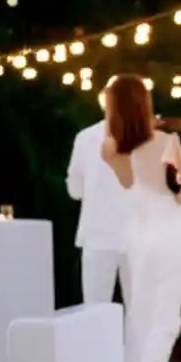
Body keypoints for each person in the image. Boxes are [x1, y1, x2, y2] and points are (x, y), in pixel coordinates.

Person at [99, 75, 181, 362]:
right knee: (165, 317)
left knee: (139, 314)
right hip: (172, 233)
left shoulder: (110, 148)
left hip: (140, 237)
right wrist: (176, 180)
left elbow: (128, 183)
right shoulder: (168, 142)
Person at [67, 110, 133, 305]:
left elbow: (75, 189)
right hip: (136, 233)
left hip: (98, 232)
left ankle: (99, 336)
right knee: (140, 310)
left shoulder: (86, 137)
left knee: (95, 307)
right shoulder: (147, 136)